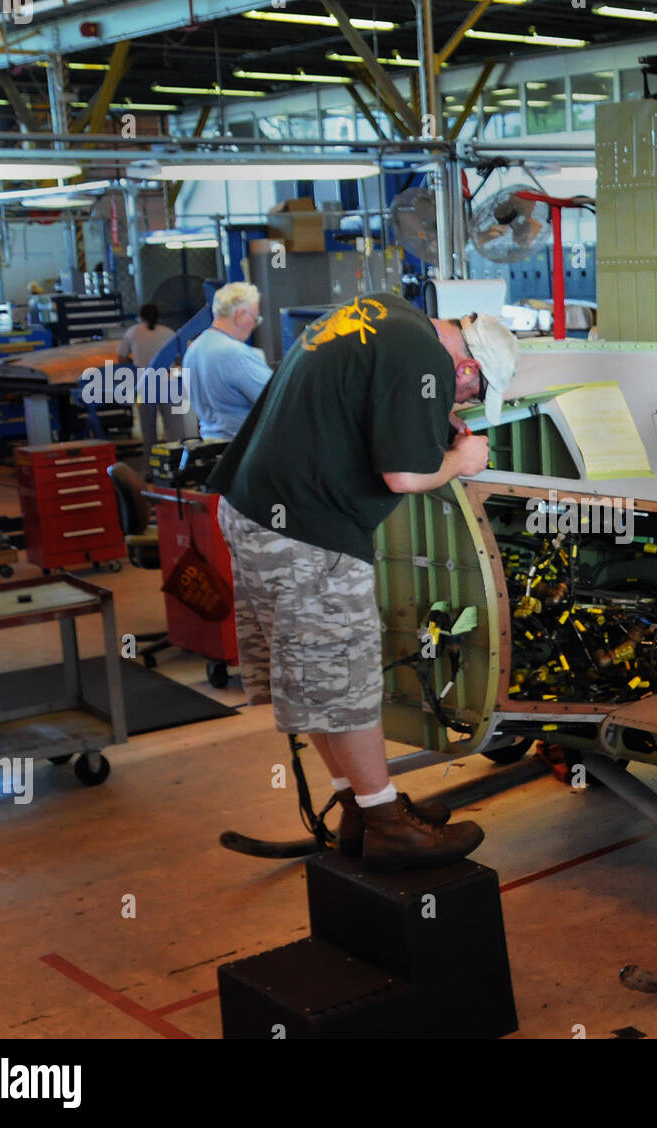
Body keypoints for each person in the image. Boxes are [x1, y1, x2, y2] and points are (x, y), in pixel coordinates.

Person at [209, 296, 519, 871]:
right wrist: (463, 460)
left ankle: (361, 809)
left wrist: (432, 418)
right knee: (345, 681)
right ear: (467, 368)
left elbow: (356, 398)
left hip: (253, 511)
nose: (462, 403)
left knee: (317, 679)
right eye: (468, 395)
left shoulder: (389, 313)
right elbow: (404, 475)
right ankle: (387, 827)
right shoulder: (426, 360)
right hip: (305, 534)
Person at [184, 282, 273, 441]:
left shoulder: (193, 350)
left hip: (209, 442)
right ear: (240, 316)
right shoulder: (235, 354)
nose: (254, 325)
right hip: (241, 448)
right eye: (255, 318)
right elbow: (277, 398)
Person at [117, 303, 180, 454]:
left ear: (140, 316)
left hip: (143, 385)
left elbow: (121, 357)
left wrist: (135, 364)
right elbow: (179, 357)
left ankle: (150, 469)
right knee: (173, 431)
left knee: (147, 430)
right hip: (167, 383)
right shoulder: (169, 333)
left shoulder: (132, 332)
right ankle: (174, 465)